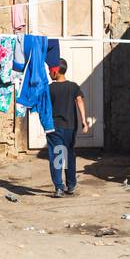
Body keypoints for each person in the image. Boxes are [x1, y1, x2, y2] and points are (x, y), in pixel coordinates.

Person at [47, 59, 89, 197]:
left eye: (50, 69)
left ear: (55, 71)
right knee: (69, 155)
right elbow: (80, 101)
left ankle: (59, 186)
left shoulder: (50, 88)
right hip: (70, 127)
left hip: (55, 127)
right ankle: (70, 185)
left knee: (58, 155)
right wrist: (84, 121)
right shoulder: (73, 87)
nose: (48, 72)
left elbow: (44, 107)